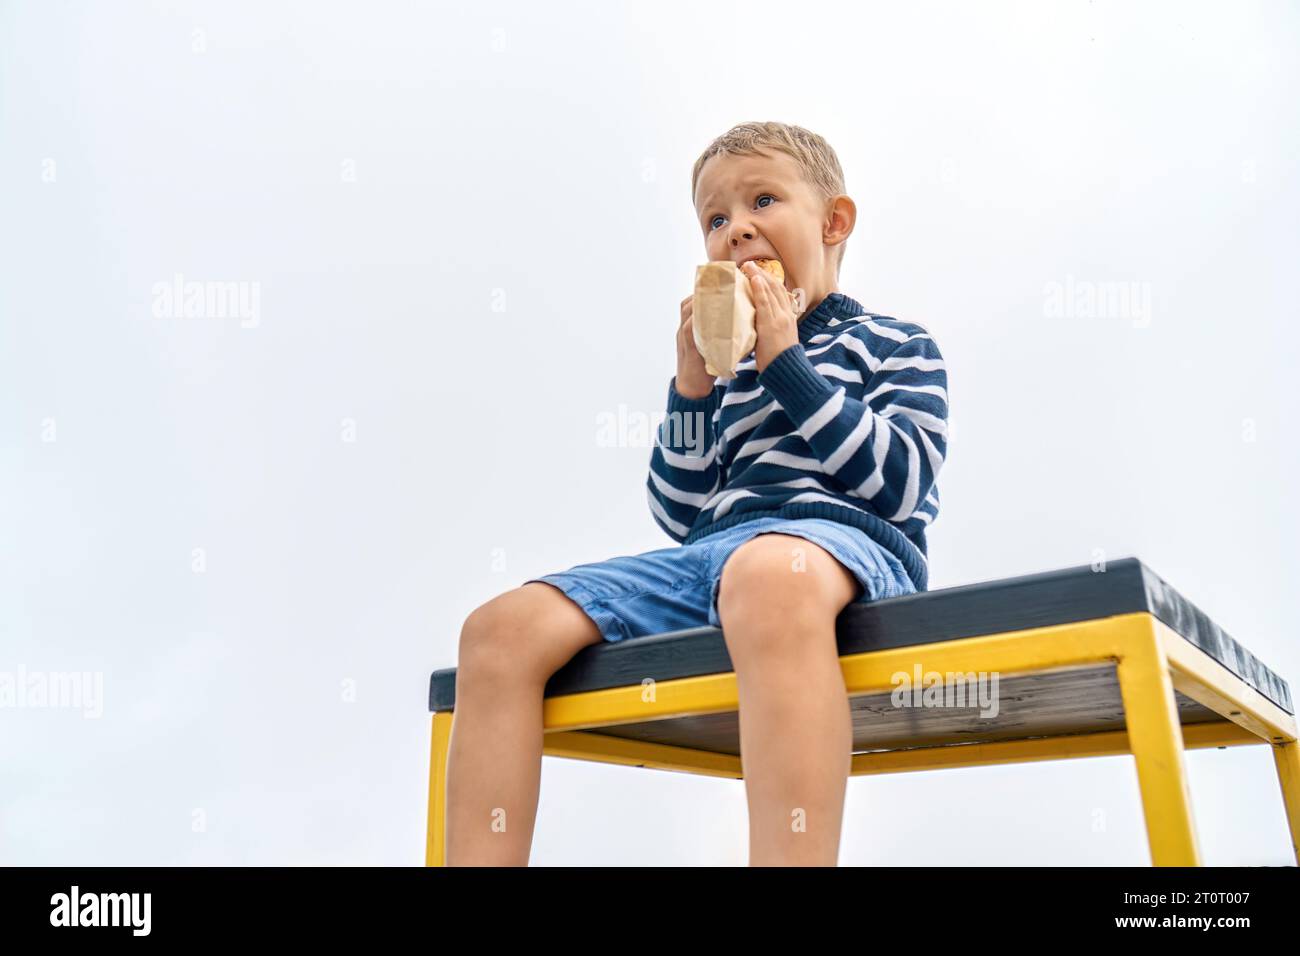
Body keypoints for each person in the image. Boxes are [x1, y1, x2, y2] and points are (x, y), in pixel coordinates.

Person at [445, 121, 950, 866]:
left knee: (769, 571)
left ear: (833, 222)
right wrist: (691, 389)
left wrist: (788, 365)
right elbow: (681, 515)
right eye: (715, 220)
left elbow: (902, 482)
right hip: (717, 557)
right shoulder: (731, 370)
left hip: (843, 550)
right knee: (498, 628)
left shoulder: (895, 343)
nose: (736, 230)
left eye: (763, 201)